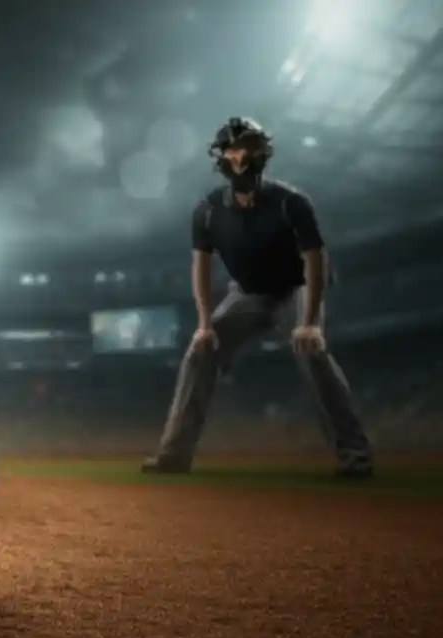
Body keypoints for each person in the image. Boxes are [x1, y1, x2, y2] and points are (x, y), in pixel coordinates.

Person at [143, 117, 374, 478]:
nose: (241, 159)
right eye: (234, 151)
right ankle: (174, 455)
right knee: (200, 351)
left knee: (312, 352)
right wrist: (204, 325)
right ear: (220, 158)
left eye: (249, 150)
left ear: (263, 154)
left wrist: (310, 323)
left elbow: (315, 259)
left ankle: (355, 456)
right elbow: (200, 267)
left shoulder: (291, 202)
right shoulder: (207, 211)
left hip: (297, 285)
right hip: (250, 292)